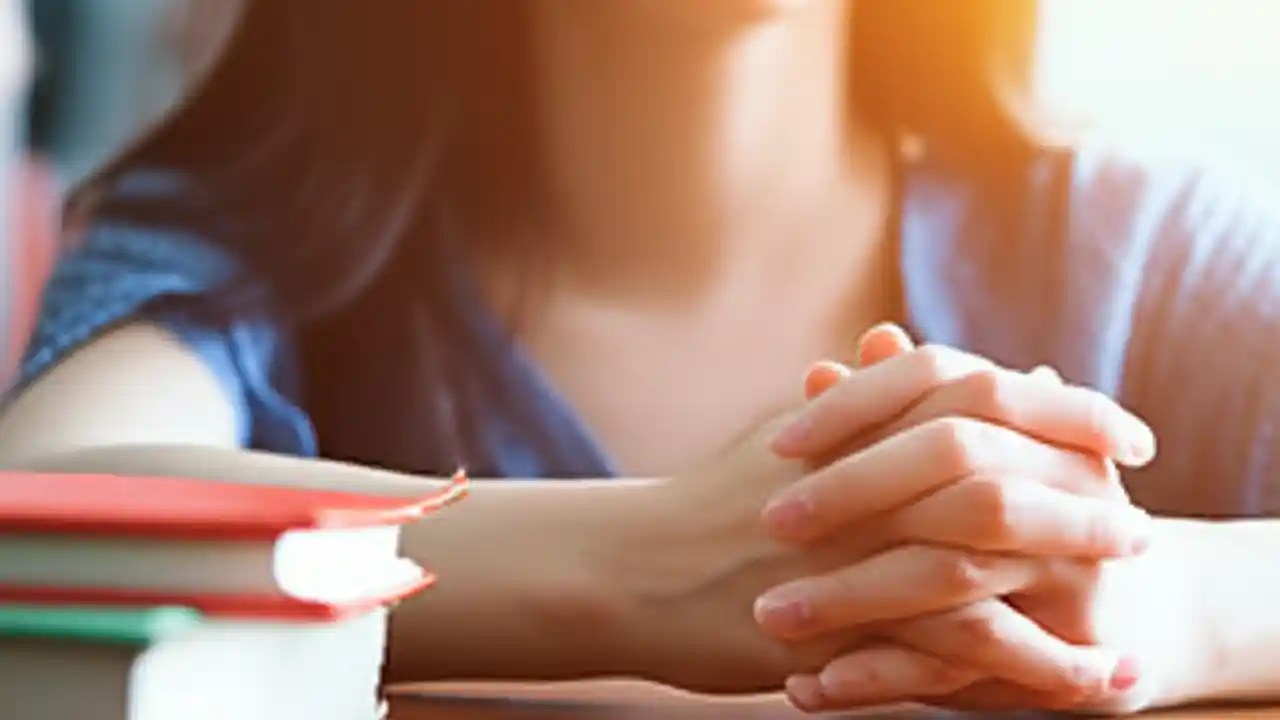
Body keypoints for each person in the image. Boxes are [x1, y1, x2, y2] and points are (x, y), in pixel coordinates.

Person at [2, 1, 1279, 714]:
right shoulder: (246, 244)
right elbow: (30, 520)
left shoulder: (1147, 255)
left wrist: (1169, 604)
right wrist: (652, 563)